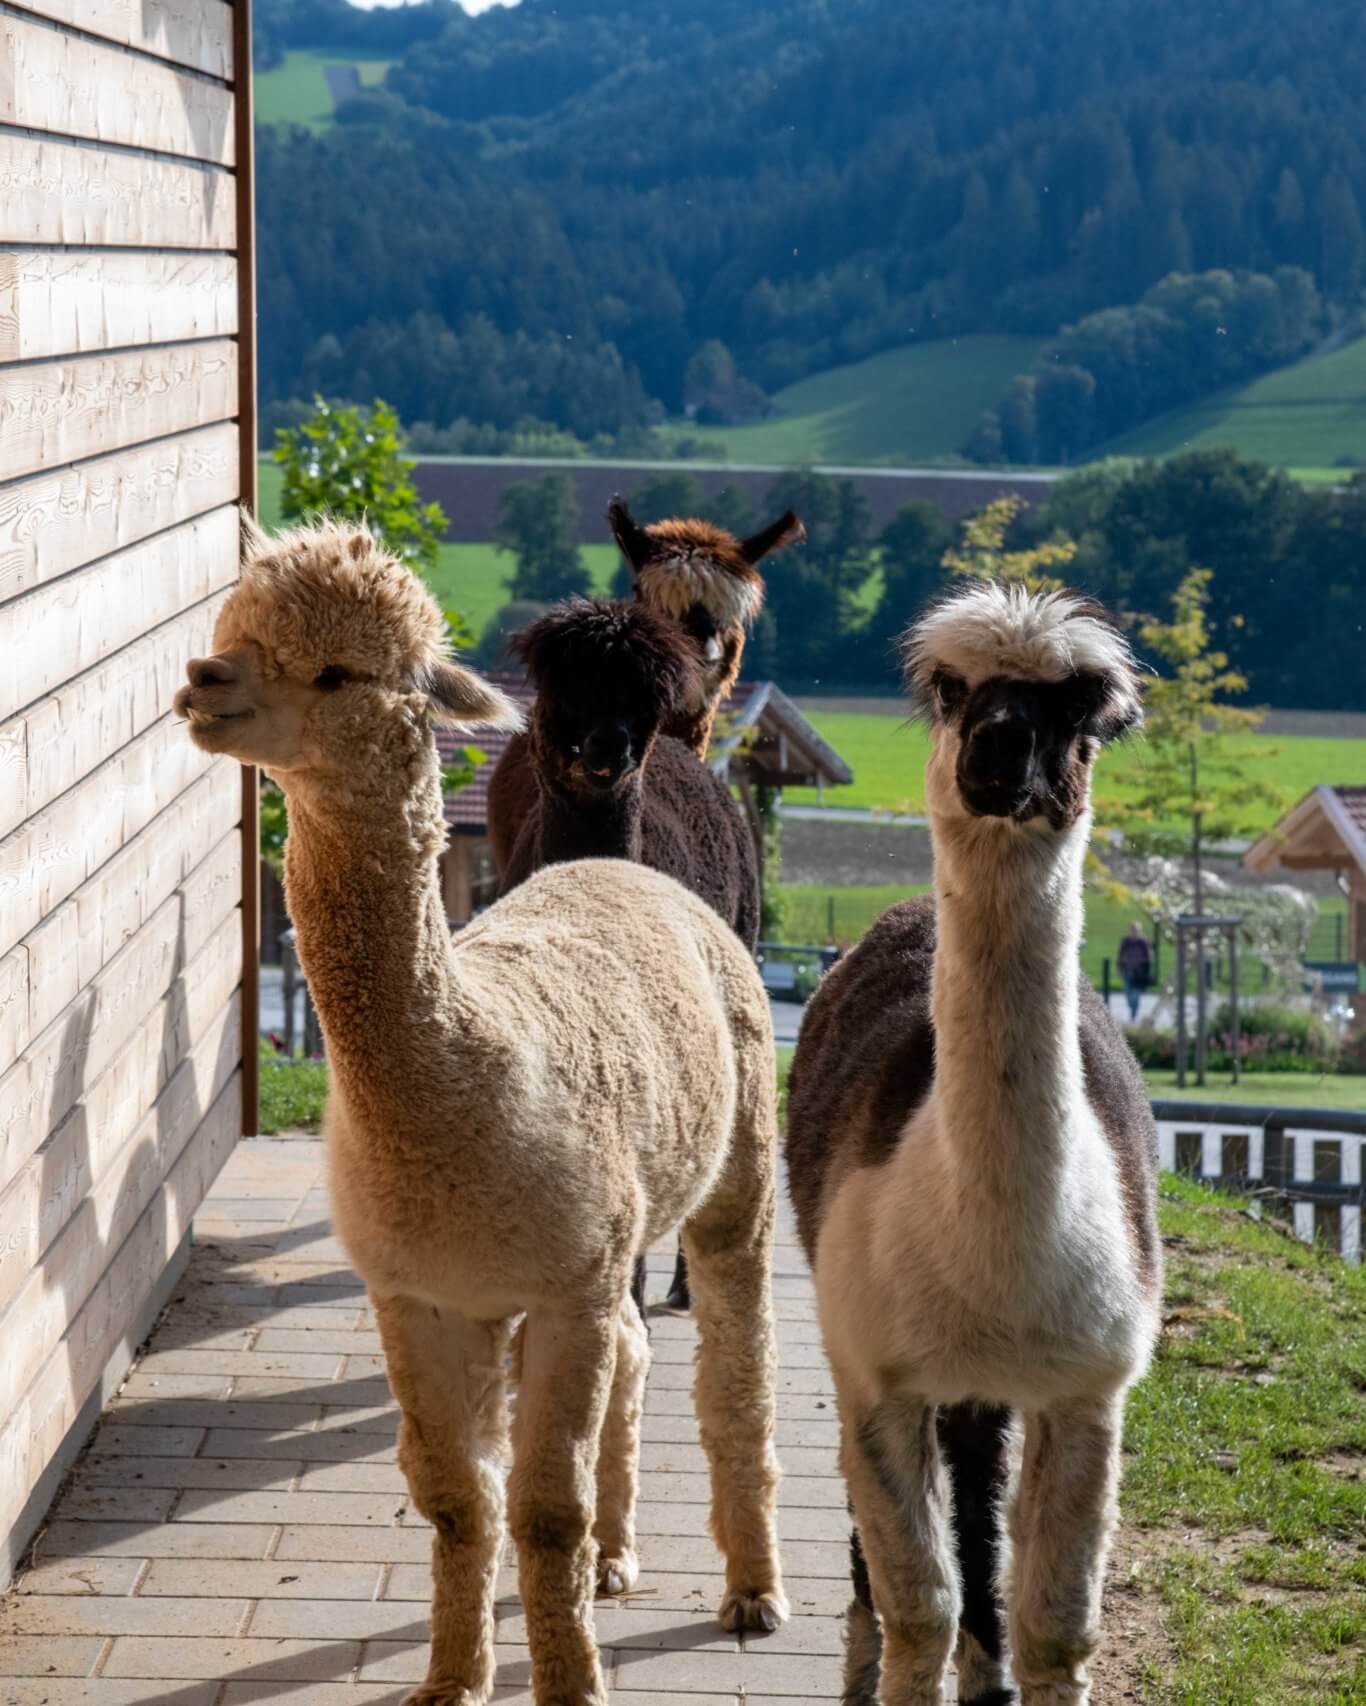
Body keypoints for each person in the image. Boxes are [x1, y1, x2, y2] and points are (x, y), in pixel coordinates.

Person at [1117, 921, 1153, 1022]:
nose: (1135, 932)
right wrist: (1120, 969)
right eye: (1133, 930)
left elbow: (1149, 959)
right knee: (1128, 993)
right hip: (1128, 971)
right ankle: (1132, 1009)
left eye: (1137, 930)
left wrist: (1150, 948)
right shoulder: (1126, 942)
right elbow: (1120, 956)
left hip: (1139, 973)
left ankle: (1133, 1014)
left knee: (1136, 995)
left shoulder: (1143, 943)